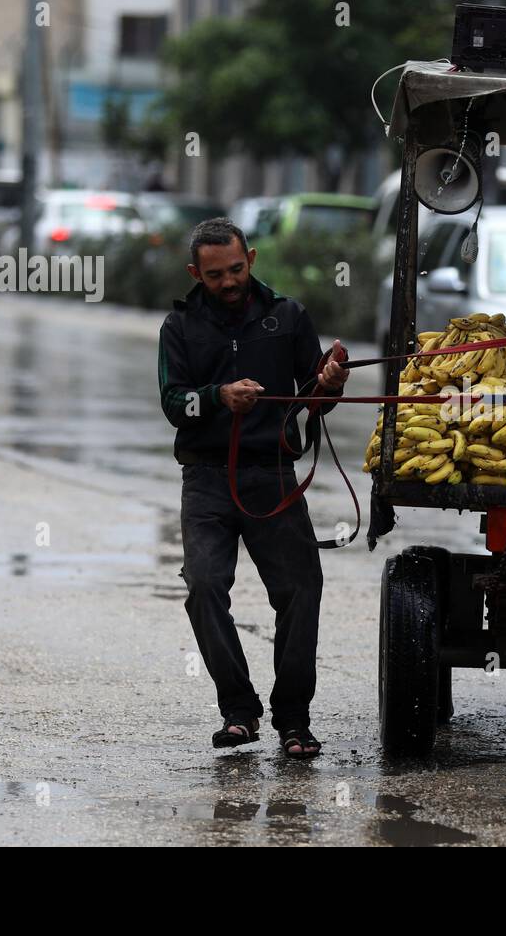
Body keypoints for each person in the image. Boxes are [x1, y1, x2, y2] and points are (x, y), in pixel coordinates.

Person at [157, 217, 349, 756]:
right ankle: (239, 710)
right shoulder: (178, 328)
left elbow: (316, 394)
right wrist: (218, 397)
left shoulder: (288, 316)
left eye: (236, 269)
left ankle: (294, 719)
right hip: (206, 482)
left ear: (252, 260)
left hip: (274, 478)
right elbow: (174, 405)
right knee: (205, 588)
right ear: (196, 272)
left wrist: (331, 381)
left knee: (301, 591)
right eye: (215, 274)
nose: (228, 281)